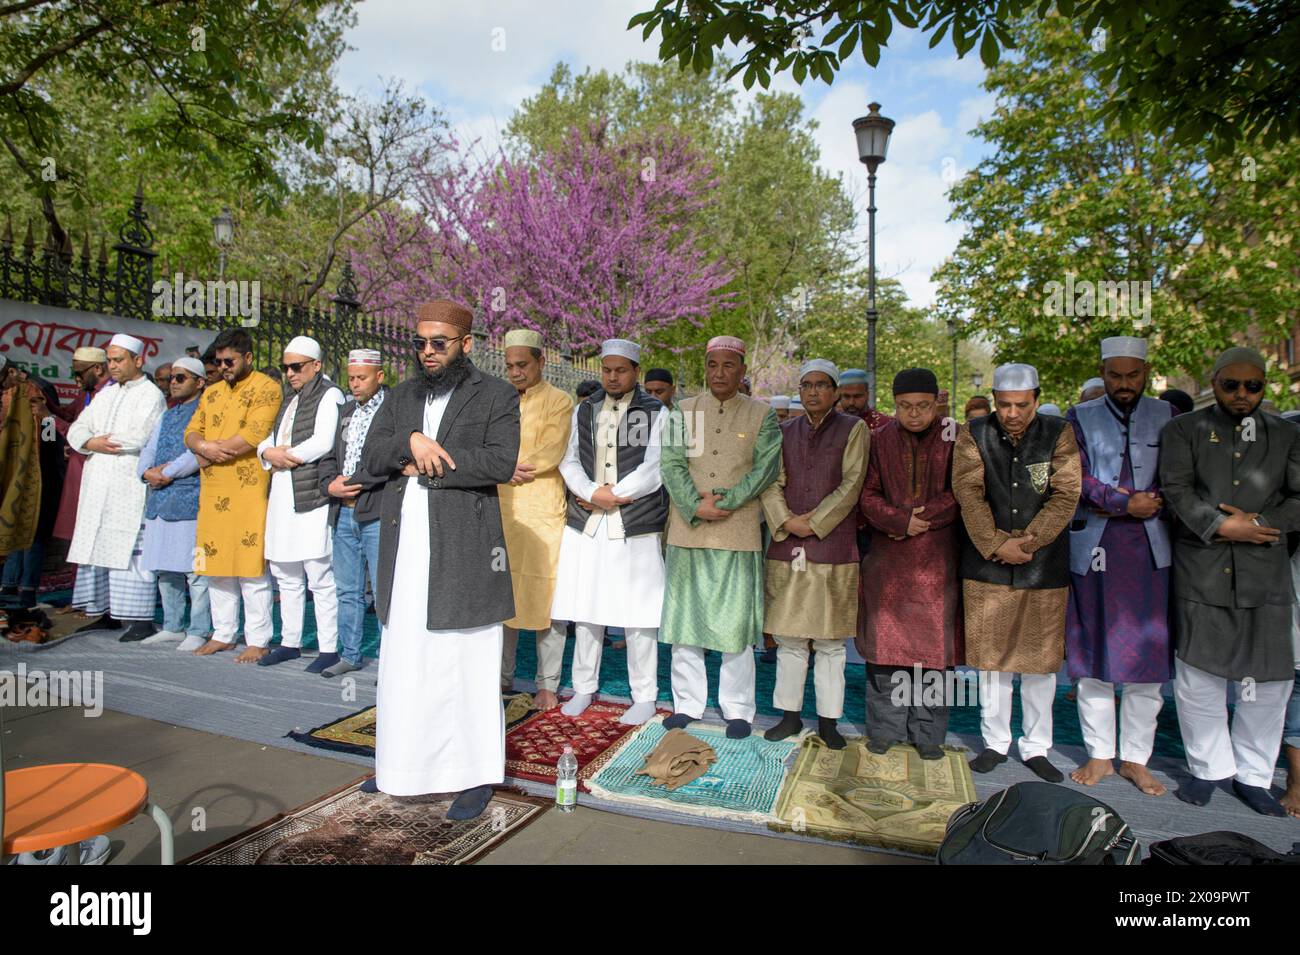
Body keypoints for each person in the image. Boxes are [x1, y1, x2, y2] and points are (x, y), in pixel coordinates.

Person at [360, 298, 520, 819]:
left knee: (466, 663)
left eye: (439, 343)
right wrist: (410, 440)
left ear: (466, 345)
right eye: (420, 343)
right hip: (406, 546)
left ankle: (474, 777)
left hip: (466, 549)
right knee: (407, 658)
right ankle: (401, 766)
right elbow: (372, 453)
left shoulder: (495, 395)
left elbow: (499, 461)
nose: (427, 352)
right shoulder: (401, 396)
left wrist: (427, 465)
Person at [1160, 346, 1299, 815]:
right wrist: (1220, 526)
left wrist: (1257, 521)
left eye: (1253, 386)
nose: (1242, 394)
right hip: (1203, 566)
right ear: (1215, 382)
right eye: (1231, 385)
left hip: (1265, 571)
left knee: (1268, 681)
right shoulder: (1184, 430)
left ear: (1264, 385)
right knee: (1198, 676)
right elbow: (1176, 489)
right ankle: (1208, 769)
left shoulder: (1287, 434)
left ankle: (1254, 775)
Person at [952, 362, 1082, 782]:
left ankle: (1037, 746)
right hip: (986, 564)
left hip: (1041, 565)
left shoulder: (1058, 433)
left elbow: (1066, 494)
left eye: (1021, 405)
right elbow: (968, 494)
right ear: (994, 401)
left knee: (1039, 664)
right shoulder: (973, 434)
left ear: (1037, 400)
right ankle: (994, 743)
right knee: (992, 663)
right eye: (1004, 405)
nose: (1011, 413)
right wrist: (995, 544)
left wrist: (1028, 543)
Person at [1065, 337, 1175, 795]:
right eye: (1115, 375)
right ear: (1103, 372)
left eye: (1133, 375)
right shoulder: (1079, 417)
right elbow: (1075, 475)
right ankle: (1099, 754)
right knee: (1092, 655)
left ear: (1146, 372)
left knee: (1146, 658)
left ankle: (1136, 758)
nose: (1124, 384)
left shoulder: (1169, 416)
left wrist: (1153, 503)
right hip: (1097, 548)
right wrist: (1123, 502)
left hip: (1150, 550)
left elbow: (1182, 476)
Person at [660, 336, 781, 739]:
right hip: (688, 530)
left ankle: (738, 709)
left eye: (729, 366)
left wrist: (726, 502)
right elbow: (671, 463)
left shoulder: (761, 415)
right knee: (684, 625)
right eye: (713, 365)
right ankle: (687, 705)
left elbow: (765, 469)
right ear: (705, 367)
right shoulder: (684, 411)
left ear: (742, 370)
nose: (720, 373)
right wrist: (696, 506)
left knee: (735, 628)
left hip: (737, 530)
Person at [550, 338, 668, 725]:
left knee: (639, 614)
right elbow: (567, 461)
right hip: (587, 524)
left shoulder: (656, 411)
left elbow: (656, 467)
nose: (613, 376)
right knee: (586, 609)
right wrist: (590, 493)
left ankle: (645, 696)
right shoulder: (584, 409)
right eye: (607, 370)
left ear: (635, 371)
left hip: (634, 522)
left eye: (621, 370)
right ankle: (583, 687)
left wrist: (613, 495)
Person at [760, 359, 867, 749]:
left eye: (822, 385)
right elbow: (770, 481)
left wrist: (815, 522)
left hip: (833, 546)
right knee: (788, 638)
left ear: (835, 391)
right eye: (806, 385)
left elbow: (852, 484)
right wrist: (786, 521)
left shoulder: (854, 430)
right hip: (787, 544)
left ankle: (828, 723)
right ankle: (789, 717)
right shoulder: (783, 430)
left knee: (830, 643)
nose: (813, 391)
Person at [858, 368, 962, 759]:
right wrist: (900, 520)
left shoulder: (955, 435)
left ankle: (928, 734)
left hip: (938, 561)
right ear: (894, 403)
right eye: (905, 406)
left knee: (934, 652)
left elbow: (964, 489)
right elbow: (866, 494)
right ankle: (884, 729)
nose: (914, 414)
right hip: (889, 560)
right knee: (886, 647)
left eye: (922, 406)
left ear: (937, 402)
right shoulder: (879, 438)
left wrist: (922, 518)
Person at [184, 327, 282, 662]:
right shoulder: (211, 392)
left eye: (230, 360)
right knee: (215, 564)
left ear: (248, 358)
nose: (224, 366)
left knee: (250, 567)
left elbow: (255, 432)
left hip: (249, 489)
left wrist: (213, 450)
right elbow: (191, 430)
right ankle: (223, 633)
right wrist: (204, 446)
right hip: (212, 490)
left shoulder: (266, 388)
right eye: (219, 361)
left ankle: (258, 639)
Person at [65, 334, 167, 641]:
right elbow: (77, 429)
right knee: (97, 541)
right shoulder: (105, 394)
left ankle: (139, 619)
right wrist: (89, 441)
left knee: (129, 549)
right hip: (98, 480)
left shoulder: (150, 395)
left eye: (118, 360)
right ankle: (105, 612)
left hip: (127, 482)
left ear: (137, 361)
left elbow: (141, 436)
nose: (113, 366)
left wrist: (99, 440)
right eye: (109, 360)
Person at [256, 337, 345, 671]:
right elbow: (269, 436)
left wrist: (284, 456)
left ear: (316, 365)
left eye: (296, 367)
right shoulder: (289, 397)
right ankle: (289, 642)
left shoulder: (330, 394)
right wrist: (268, 452)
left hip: (309, 495)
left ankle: (328, 649)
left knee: (319, 575)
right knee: (284, 571)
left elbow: (324, 441)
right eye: (286, 367)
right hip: (282, 492)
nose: (290, 373)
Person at [498, 329, 574, 710]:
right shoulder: (496, 400)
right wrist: (499, 467)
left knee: (546, 598)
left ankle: (547, 683)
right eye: (510, 365)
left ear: (541, 362)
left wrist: (504, 466)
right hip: (501, 508)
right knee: (501, 595)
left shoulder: (560, 402)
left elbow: (550, 452)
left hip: (542, 509)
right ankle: (501, 676)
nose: (515, 372)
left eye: (522, 365)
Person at [317, 348, 390, 677]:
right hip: (343, 513)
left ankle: (389, 661)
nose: (356, 384)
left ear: (380, 376)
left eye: (362, 378)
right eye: (352, 378)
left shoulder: (393, 411)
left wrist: (359, 481)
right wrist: (330, 485)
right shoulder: (345, 410)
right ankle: (350, 653)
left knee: (384, 591)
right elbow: (329, 456)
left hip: (375, 511)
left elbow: (395, 459)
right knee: (347, 589)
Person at [136, 357, 211, 648]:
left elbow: (198, 452)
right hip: (159, 499)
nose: (173, 383)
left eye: (181, 378)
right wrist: (145, 472)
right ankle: (172, 625)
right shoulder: (168, 414)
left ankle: (199, 629)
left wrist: (165, 473)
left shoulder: (206, 411)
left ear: (200, 382)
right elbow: (149, 447)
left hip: (189, 499)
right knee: (164, 567)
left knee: (195, 570)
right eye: (171, 379)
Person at [0, 360, 74, 609]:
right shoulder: (9, 391)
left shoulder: (37, 390)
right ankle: (9, 586)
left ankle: (26, 592)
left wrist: (38, 463)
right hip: (16, 471)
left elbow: (49, 431)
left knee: (35, 532)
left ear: (11, 372)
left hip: (39, 472)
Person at [52, 347, 112, 549]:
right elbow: (68, 414)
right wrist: (46, 406)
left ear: (97, 369)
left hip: (93, 468)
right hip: (78, 467)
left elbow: (85, 435)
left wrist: (49, 420)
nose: (76, 379)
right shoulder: (86, 393)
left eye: (79, 373)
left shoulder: (108, 395)